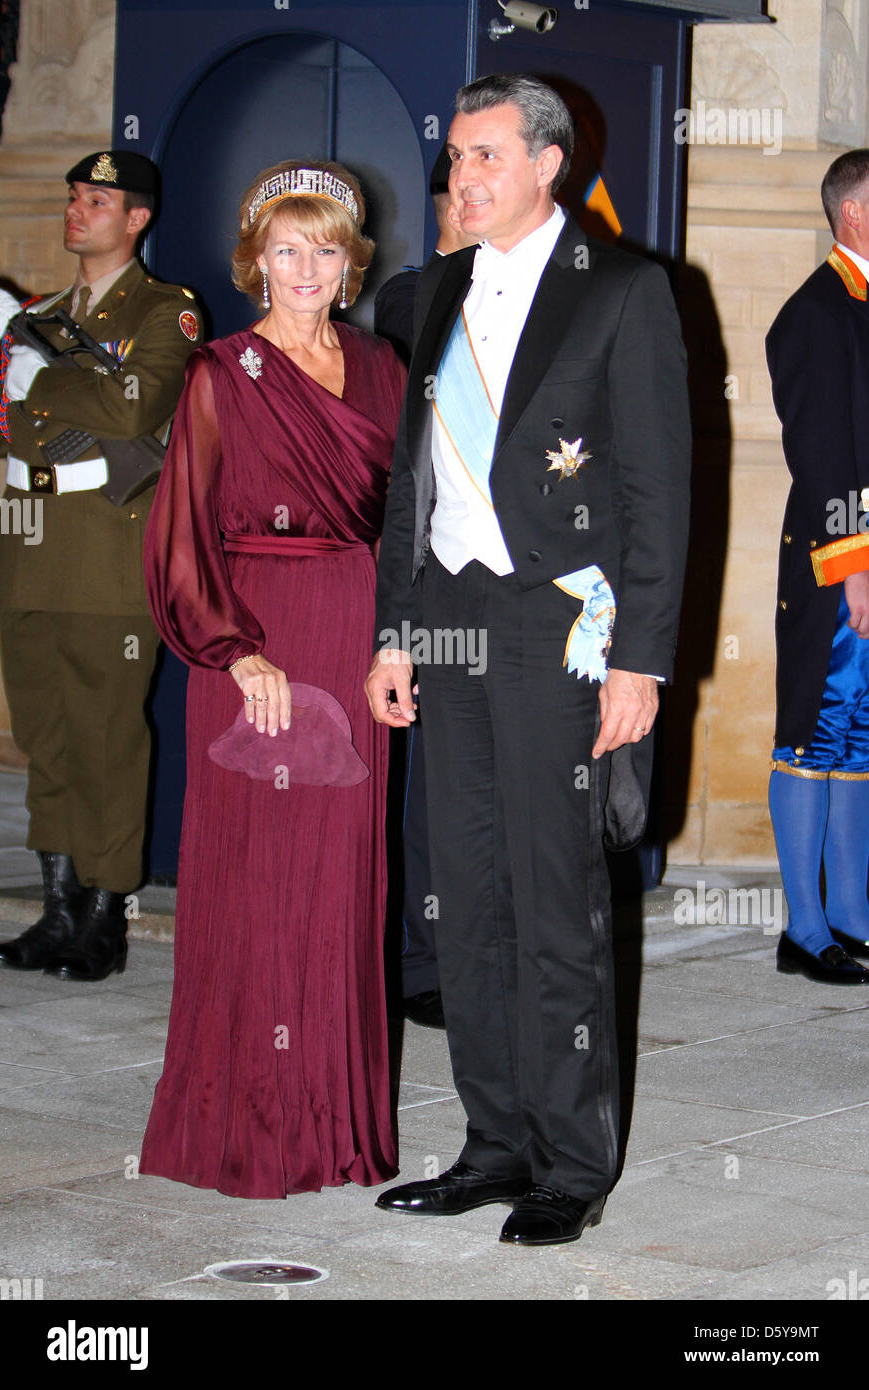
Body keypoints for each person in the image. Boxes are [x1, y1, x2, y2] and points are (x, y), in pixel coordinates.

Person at [365, 74, 691, 1246]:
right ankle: (491, 1139)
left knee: (557, 903)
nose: (461, 177)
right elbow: (413, 481)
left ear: (547, 164)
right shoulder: (437, 288)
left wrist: (639, 662)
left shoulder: (624, 290)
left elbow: (658, 494)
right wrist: (391, 632)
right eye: (455, 157)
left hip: (562, 629)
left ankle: (570, 1158)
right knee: (466, 899)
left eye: (485, 157)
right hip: (448, 622)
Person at [139, 160, 405, 1198]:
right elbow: (177, 536)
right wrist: (232, 647)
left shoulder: (384, 367)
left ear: (351, 263)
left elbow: (409, 521)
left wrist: (401, 633)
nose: (305, 267)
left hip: (354, 629)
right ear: (254, 262)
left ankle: (335, 1127)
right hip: (253, 644)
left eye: (325, 248)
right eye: (285, 248)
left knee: (341, 880)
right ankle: (242, 1126)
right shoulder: (218, 372)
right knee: (254, 878)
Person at [0, 150, 200, 981]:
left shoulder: (166, 311)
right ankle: (58, 906)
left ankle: (106, 912)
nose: (79, 210)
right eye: (75, 197)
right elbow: (14, 425)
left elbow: (137, 406)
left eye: (99, 200)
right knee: (46, 733)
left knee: (108, 735)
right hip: (29, 535)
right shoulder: (33, 314)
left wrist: (45, 385)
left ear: (138, 217)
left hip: (108, 550)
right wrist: (63, 392)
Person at [374, 145, 478, 1030]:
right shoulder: (416, 294)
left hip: (505, 584)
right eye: (461, 189)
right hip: (431, 570)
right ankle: (424, 959)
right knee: (434, 785)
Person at [765, 149, 869, 987]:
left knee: (862, 740)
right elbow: (825, 454)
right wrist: (855, 568)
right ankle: (805, 927)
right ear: (854, 213)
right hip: (837, 563)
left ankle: (852, 916)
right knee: (815, 732)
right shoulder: (815, 313)